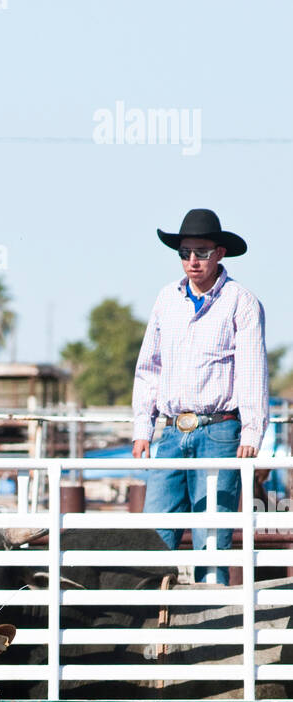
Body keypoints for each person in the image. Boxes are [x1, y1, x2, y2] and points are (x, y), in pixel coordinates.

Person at [132, 209, 269, 584]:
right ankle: (149, 622)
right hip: (173, 430)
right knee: (155, 532)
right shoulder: (166, 299)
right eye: (185, 252)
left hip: (220, 430)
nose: (193, 260)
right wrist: (142, 427)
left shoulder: (242, 302)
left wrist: (252, 433)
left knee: (212, 537)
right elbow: (150, 367)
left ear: (220, 253)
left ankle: (215, 632)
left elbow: (252, 370)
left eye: (202, 252)